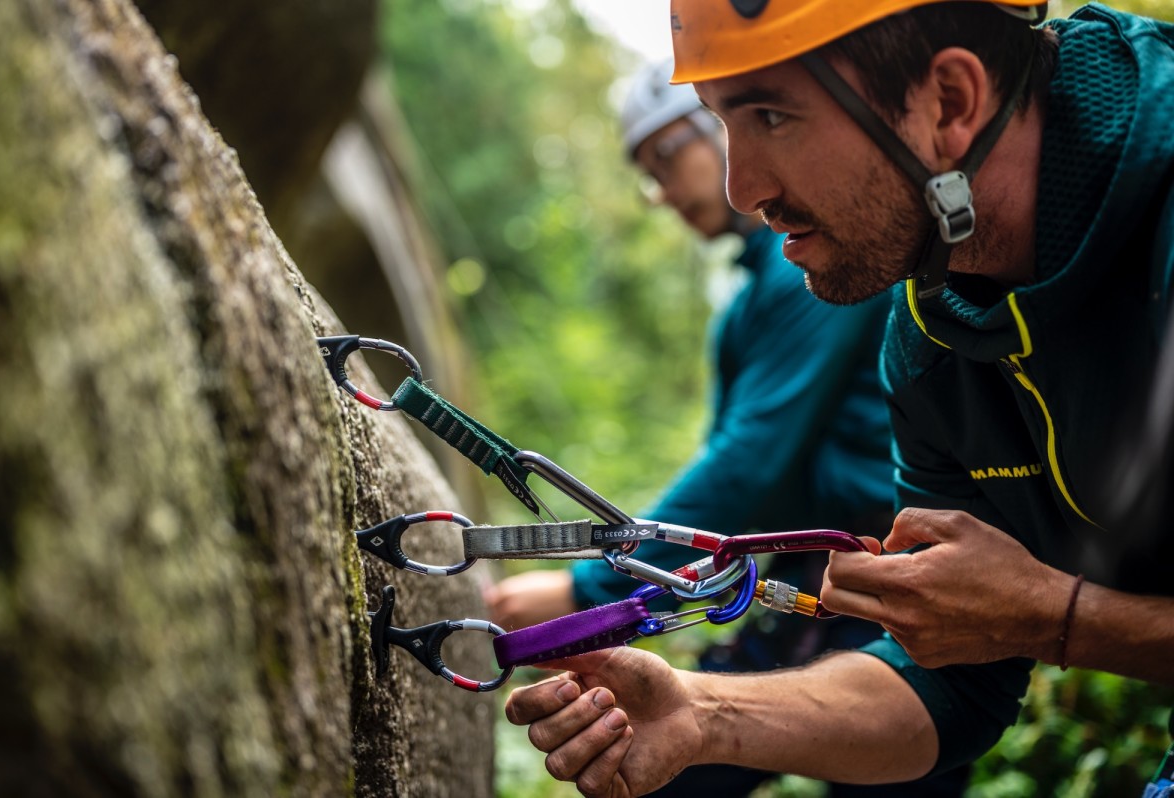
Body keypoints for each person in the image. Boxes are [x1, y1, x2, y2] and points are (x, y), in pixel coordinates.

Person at [502, 1, 1174, 795]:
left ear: (949, 102)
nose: (742, 187)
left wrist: (1056, 617)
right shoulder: (930, 335)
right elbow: (954, 682)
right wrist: (701, 713)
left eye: (771, 115)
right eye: (722, 121)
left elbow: (755, 459)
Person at [485, 56, 957, 797]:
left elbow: (750, 464)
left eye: (667, 156)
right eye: (649, 173)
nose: (665, 192)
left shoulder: (817, 270)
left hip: (886, 582)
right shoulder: (759, 292)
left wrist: (591, 589)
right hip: (821, 583)